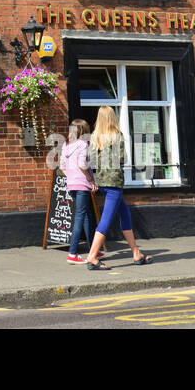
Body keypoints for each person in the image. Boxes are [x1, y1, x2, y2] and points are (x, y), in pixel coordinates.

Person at [84, 106, 151, 269]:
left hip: (101, 182)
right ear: (112, 118)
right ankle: (92, 256)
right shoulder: (117, 136)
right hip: (114, 182)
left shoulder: (94, 137)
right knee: (106, 219)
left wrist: (93, 177)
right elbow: (122, 159)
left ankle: (136, 252)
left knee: (125, 214)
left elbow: (89, 162)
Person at [60, 119, 99, 264]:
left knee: (87, 215)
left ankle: (92, 249)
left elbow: (62, 166)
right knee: (80, 217)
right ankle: (72, 253)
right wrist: (90, 180)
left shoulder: (66, 145)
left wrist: (71, 176)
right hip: (82, 184)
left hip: (71, 184)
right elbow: (83, 164)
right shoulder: (83, 144)